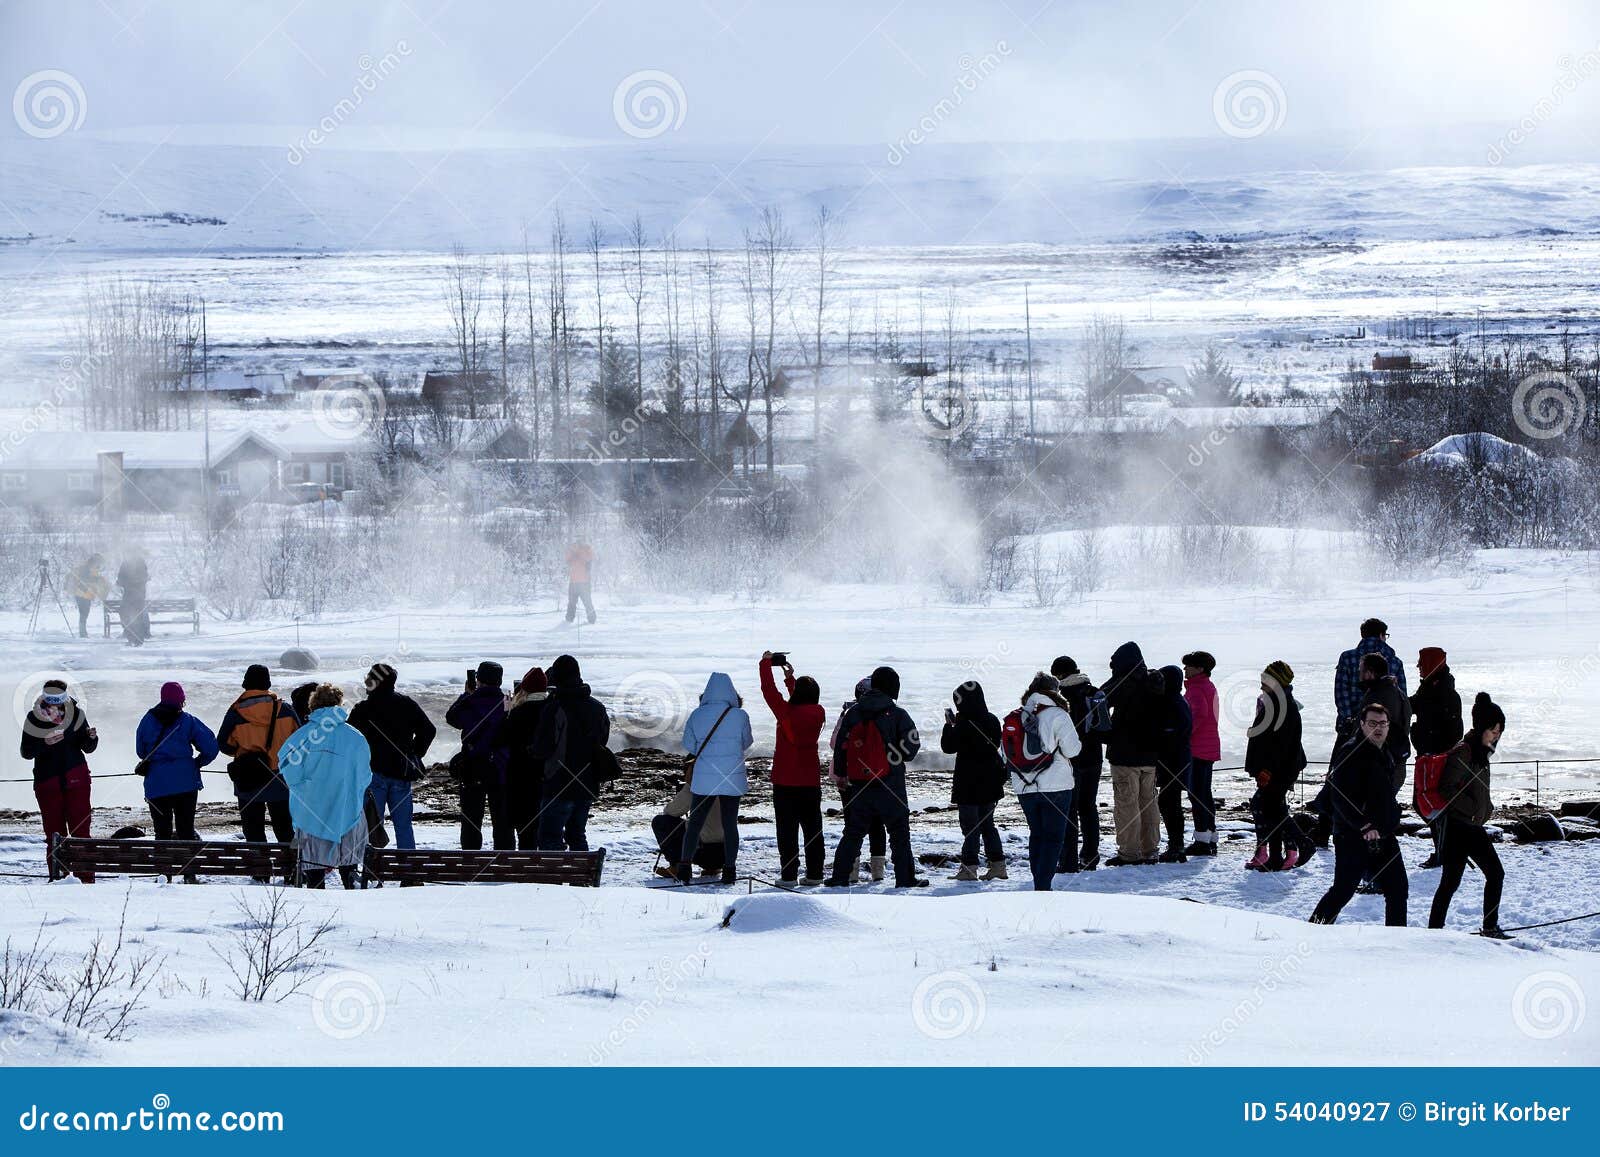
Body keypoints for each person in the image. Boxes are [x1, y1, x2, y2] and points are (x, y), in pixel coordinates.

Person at [826, 666, 928, 888]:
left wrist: (842, 775)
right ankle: (905, 879)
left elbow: (840, 748)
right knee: (899, 833)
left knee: (853, 832)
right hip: (890, 784)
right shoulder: (898, 715)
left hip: (858, 784)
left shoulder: (853, 713)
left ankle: (839, 877)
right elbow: (911, 750)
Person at [1310, 703, 1408, 927]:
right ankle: (1314, 929)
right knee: (1343, 890)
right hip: (1352, 835)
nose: (1378, 728)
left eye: (1383, 723)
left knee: (1398, 888)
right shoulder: (1352, 751)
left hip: (1382, 834)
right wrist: (1363, 825)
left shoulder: (1384, 751)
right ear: (1362, 725)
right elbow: (1339, 796)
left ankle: (1398, 940)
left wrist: (1391, 818)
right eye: (1373, 723)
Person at [1429, 693, 1509, 938]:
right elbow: (1446, 788)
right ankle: (1488, 927)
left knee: (1450, 883)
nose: (1497, 735)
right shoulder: (1464, 752)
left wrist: (1487, 807)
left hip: (1468, 826)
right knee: (1494, 874)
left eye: (1499, 731)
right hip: (1461, 827)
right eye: (1494, 730)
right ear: (1482, 726)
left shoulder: (1480, 752)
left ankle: (1435, 931)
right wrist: (1474, 809)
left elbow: (1475, 790)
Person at [279, 684, 372, 889]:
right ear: (339, 703)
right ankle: (353, 907)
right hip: (348, 811)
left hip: (311, 811)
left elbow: (287, 766)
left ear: (313, 705)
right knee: (349, 867)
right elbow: (365, 776)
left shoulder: (304, 735)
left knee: (314, 869)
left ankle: (316, 909)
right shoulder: (356, 737)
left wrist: (306, 788)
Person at [216, 664, 301, 882]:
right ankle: (290, 870)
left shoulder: (236, 711)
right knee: (284, 828)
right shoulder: (285, 709)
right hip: (280, 777)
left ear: (246, 683)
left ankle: (260, 872)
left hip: (248, 778)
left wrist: (243, 750)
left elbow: (223, 745)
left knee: (253, 829)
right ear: (268, 684)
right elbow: (301, 741)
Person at [348, 662, 437, 857]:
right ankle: (408, 872)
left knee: (372, 827)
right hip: (401, 773)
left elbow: (349, 739)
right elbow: (429, 730)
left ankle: (373, 873)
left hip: (372, 774)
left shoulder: (363, 708)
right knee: (404, 827)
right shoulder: (406, 704)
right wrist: (415, 753)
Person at [135, 682, 219, 882]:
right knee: (186, 830)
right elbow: (211, 747)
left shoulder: (147, 720)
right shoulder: (188, 721)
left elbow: (141, 751)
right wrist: (197, 763)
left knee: (161, 831)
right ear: (181, 699)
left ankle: (165, 874)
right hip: (185, 784)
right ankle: (189, 873)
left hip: (157, 784)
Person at [677, 672, 754, 884]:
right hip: (732, 776)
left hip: (704, 777)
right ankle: (729, 870)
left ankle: (684, 867)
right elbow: (746, 742)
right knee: (730, 824)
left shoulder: (697, 715)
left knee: (695, 823)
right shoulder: (740, 715)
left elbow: (690, 745)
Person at [1008, 674, 1083, 891]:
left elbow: (1006, 754)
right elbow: (1072, 750)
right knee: (1053, 838)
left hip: (1024, 785)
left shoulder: (1016, 716)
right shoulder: (1058, 714)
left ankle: (1038, 883)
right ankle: (1043, 886)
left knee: (1037, 834)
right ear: (1054, 692)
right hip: (1056, 786)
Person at [530, 654, 611, 851]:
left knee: (550, 838)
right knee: (577, 835)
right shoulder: (597, 708)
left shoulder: (554, 708)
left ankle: (553, 880)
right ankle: (583, 878)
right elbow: (603, 741)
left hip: (558, 783)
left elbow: (542, 748)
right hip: (587, 783)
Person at [21, 679, 98, 882]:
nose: (54, 706)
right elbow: (26, 752)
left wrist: (91, 738)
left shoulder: (77, 714)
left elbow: (87, 748)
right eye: (50, 701)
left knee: (81, 832)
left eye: (58, 701)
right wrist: (44, 743)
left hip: (76, 778)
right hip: (48, 782)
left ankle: (86, 879)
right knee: (54, 834)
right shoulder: (34, 718)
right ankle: (58, 878)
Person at [759, 652, 827, 885]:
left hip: (785, 780)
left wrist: (765, 663)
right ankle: (815, 874)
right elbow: (802, 705)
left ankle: (789, 876)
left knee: (787, 832)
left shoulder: (785, 712)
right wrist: (791, 680)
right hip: (810, 780)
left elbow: (769, 691)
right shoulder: (819, 713)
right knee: (813, 830)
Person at [1104, 642, 1164, 867]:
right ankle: (1151, 849)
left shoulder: (1123, 684)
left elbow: (1102, 697)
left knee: (1127, 804)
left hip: (1124, 756)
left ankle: (1129, 853)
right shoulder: (1154, 682)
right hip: (1150, 757)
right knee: (1149, 803)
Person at [940, 680, 1007, 882]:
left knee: (970, 827)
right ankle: (998, 866)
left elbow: (948, 746)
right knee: (988, 825)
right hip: (991, 781)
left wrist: (948, 725)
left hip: (968, 783)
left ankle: (969, 868)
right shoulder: (993, 720)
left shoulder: (963, 724)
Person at [1244, 661, 1306, 871]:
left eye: (1266, 679)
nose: (1262, 683)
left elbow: (1281, 745)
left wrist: (1267, 770)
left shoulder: (1283, 706)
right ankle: (1278, 855)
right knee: (1272, 809)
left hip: (1276, 771)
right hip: (1273, 769)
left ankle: (1301, 844)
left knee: (1272, 809)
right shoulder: (1275, 702)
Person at [446, 661, 513, 850]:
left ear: (479, 679)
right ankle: (504, 859)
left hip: (473, 766)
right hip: (500, 766)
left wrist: (466, 694)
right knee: (502, 819)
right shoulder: (507, 701)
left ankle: (471, 859)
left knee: (471, 820)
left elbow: (452, 718)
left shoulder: (471, 701)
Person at [1410, 646, 1463, 870]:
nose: (1418, 667)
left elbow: (1455, 732)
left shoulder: (1445, 693)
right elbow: (1411, 704)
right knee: (1425, 804)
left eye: (1422, 663)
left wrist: (1436, 752)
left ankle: (1445, 851)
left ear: (1431, 665)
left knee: (1431, 805)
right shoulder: (1428, 689)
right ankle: (1445, 849)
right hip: (1427, 757)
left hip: (1436, 761)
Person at [831, 676, 888, 880]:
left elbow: (834, 744)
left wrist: (840, 773)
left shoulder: (850, 713)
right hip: (879, 777)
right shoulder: (887, 711)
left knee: (852, 825)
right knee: (877, 824)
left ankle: (851, 872)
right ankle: (878, 873)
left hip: (850, 777)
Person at [1053, 656, 1107, 872]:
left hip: (1070, 760)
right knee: (1089, 807)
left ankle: (1068, 860)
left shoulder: (1061, 696)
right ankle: (1091, 855)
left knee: (1070, 809)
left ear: (1059, 674)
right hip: (1094, 757)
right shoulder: (1093, 691)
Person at [496, 667, 550, 851]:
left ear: (524, 690)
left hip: (521, 779)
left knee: (525, 831)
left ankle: (527, 873)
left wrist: (507, 712)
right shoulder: (552, 710)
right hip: (548, 777)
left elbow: (500, 740)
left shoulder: (518, 714)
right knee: (547, 830)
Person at [1334, 617, 1407, 735]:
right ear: (1381, 635)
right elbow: (1401, 696)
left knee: (1346, 753)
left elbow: (1341, 692)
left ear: (1363, 635)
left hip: (1351, 727)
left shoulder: (1347, 657)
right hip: (1384, 729)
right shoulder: (1395, 661)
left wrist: (1347, 719)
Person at [1181, 651, 1221, 856]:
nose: (1185, 669)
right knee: (1204, 793)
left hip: (1197, 748)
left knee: (1196, 794)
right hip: (1209, 746)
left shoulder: (1196, 689)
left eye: (1189, 665)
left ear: (1200, 669)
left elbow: (1197, 716)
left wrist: (1183, 736)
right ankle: (1210, 834)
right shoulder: (1208, 686)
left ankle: (1202, 840)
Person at [1154, 664, 1193, 863]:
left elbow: (1170, 734)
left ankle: (1177, 846)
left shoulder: (1172, 702)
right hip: (1178, 760)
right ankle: (1176, 845)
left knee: (1169, 803)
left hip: (1174, 762)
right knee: (1170, 802)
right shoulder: (1177, 700)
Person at [652, 784, 727, 878]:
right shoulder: (726, 785)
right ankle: (712, 869)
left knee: (660, 822)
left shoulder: (697, 784)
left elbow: (671, 811)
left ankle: (677, 865)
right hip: (723, 853)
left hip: (702, 851)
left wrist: (686, 788)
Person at [67, 554, 109, 639]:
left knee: (85, 613)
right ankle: (83, 633)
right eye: (99, 563)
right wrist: (96, 580)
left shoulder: (92, 568)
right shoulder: (85, 568)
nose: (99, 566)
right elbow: (85, 580)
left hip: (87, 594)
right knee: (83, 613)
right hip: (81, 593)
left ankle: (83, 633)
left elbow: (93, 579)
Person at [116, 548, 150, 646]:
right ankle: (131, 637)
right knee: (124, 614)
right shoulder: (125, 564)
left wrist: (128, 583)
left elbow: (143, 578)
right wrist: (120, 582)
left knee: (137, 616)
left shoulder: (140, 563)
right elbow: (120, 577)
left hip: (138, 595)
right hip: (128, 594)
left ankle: (138, 639)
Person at [565, 541, 597, 624]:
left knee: (587, 602)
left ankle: (592, 620)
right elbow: (567, 560)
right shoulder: (572, 550)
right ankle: (569, 620)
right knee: (571, 603)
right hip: (573, 582)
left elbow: (591, 557)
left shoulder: (587, 549)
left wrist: (580, 551)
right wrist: (572, 551)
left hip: (584, 583)